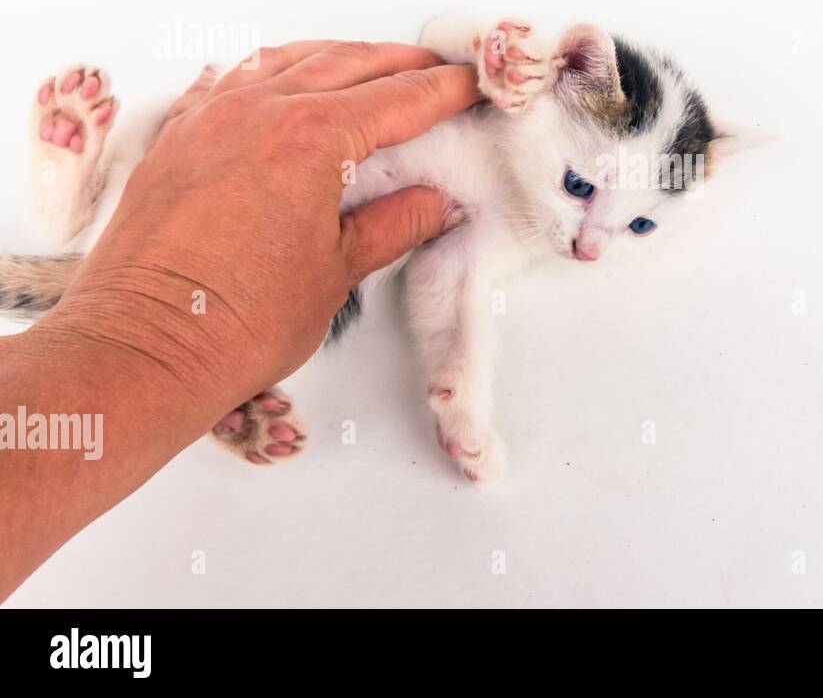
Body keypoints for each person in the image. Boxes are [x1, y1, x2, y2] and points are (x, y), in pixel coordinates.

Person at [0, 41, 481, 601]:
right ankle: (78, 208)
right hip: (175, 228)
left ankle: (78, 210)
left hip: (153, 223)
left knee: (147, 185)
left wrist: (151, 335)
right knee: (152, 171)